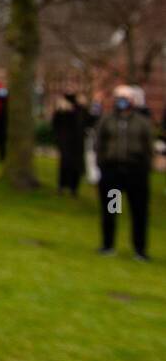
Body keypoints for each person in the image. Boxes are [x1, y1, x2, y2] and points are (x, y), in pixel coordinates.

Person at [94, 84, 154, 260]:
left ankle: (139, 249)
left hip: (135, 172)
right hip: (114, 173)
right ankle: (108, 245)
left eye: (126, 98)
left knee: (138, 211)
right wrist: (103, 164)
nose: (122, 101)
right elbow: (99, 143)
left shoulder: (142, 122)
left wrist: (144, 166)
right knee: (113, 209)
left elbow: (148, 146)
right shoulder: (108, 120)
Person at [52, 92, 88, 197]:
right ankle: (62, 186)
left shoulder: (80, 109)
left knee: (75, 166)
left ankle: (73, 188)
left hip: (77, 143)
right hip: (66, 143)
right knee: (65, 164)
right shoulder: (62, 110)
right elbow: (56, 125)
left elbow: (86, 121)